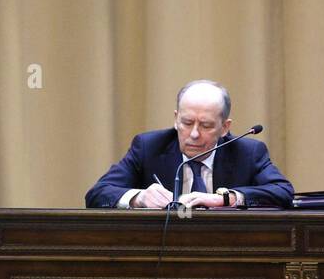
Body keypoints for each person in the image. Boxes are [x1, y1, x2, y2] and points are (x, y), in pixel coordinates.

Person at [85, 79, 294, 209]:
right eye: (186, 123)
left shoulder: (247, 152)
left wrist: (227, 199)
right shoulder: (149, 147)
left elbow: (283, 192)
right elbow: (97, 194)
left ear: (225, 127)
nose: (194, 134)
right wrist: (139, 197)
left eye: (206, 125)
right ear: (176, 119)